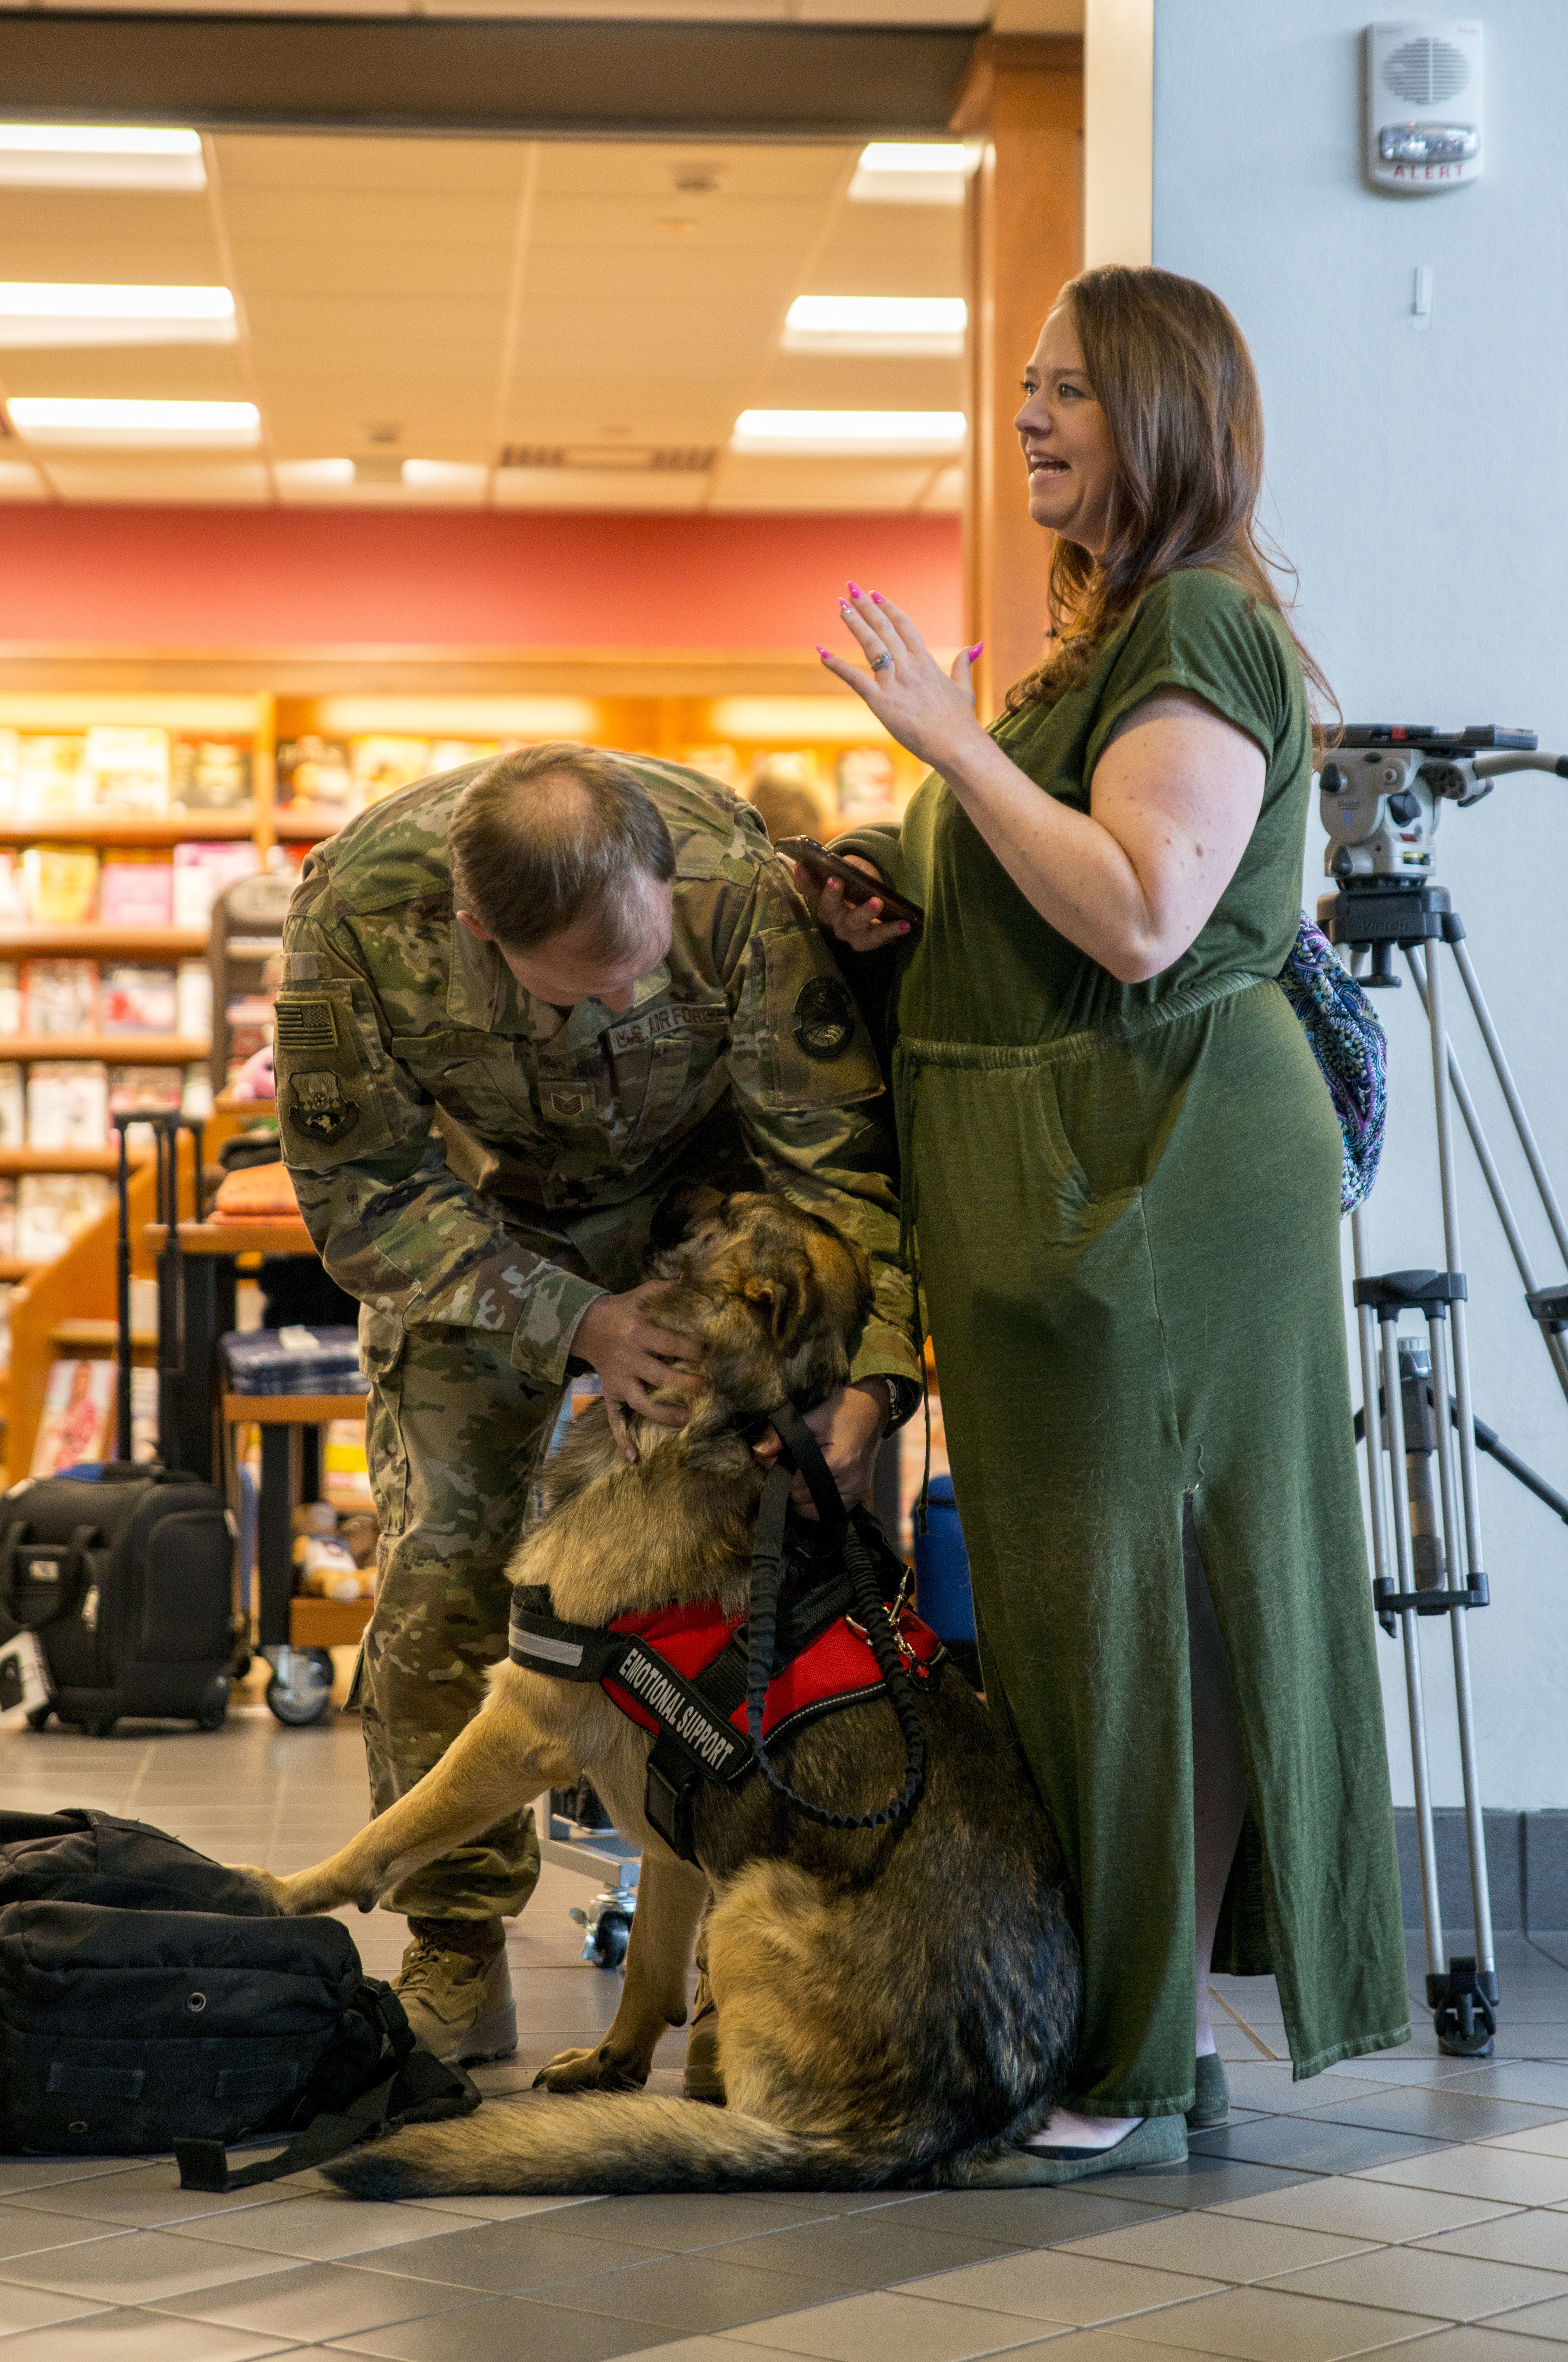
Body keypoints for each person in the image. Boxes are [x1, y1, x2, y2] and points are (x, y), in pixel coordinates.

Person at [804, 263, 1408, 2184]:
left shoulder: (1202, 630)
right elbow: (1054, 894)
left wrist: (949, 749)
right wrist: (912, 907)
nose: (1028, 417)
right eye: (1025, 387)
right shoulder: (1101, 637)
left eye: (1064, 390)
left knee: (1131, 1618)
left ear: (1157, 412)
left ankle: (1138, 2051)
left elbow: (1149, 911)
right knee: (1075, 1622)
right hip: (1054, 1171)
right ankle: (1140, 2034)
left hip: (1149, 1172)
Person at [273, 741, 920, 2065]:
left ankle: (760, 1929)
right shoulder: (353, 917)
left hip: (702, 1217)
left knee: (784, 1566)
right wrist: (578, 1323)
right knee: (449, 1565)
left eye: (645, 963)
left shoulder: (730, 881)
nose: (630, 994)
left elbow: (836, 1166)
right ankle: (454, 1942)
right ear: (475, 928)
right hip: (477, 1244)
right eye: (594, 982)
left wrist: (872, 1384)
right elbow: (362, 1202)